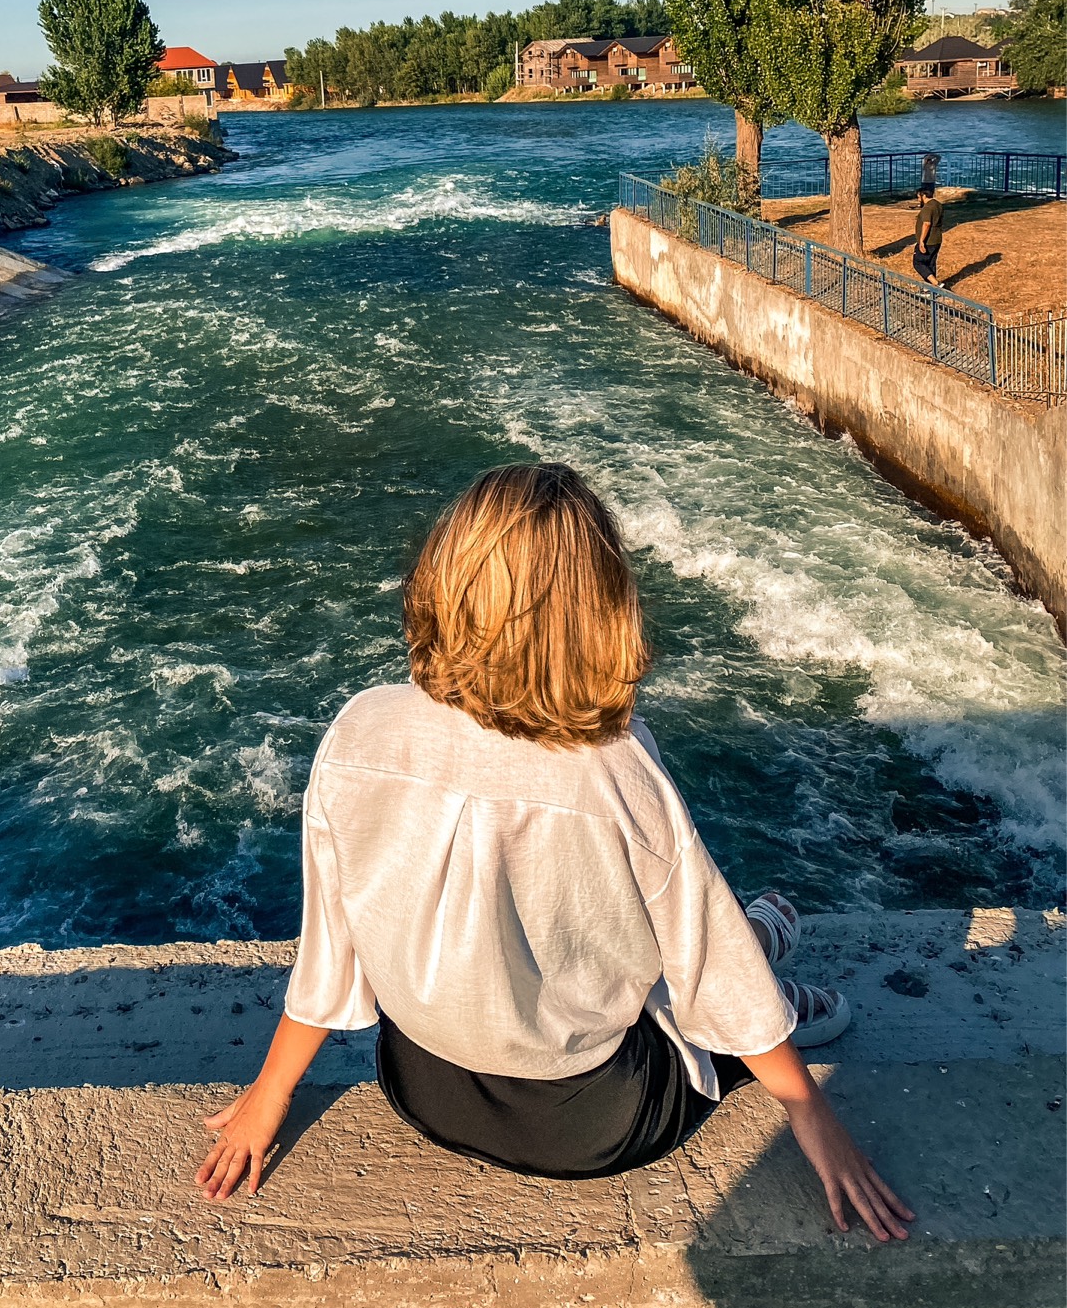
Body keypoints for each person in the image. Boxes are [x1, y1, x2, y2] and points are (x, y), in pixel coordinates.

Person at [195, 464, 913, 1244]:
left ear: (444, 582)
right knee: (699, 953)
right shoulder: (616, 768)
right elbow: (709, 965)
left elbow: (335, 938)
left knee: (634, 926)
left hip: (421, 1086)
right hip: (594, 1124)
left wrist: (271, 1091)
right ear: (601, 608)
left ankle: (758, 936)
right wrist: (812, 1115)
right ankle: (766, 973)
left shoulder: (360, 731)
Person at [913, 186, 944, 286]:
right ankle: (929, 289)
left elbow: (927, 224)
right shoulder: (938, 205)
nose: (918, 200)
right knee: (930, 264)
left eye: (919, 197)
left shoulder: (927, 208)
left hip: (928, 241)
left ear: (924, 196)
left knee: (918, 262)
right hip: (937, 239)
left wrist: (921, 241)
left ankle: (936, 283)